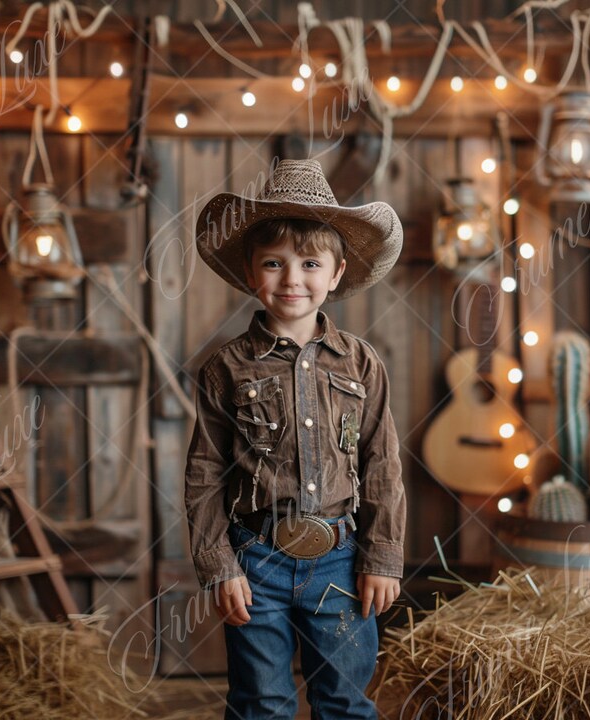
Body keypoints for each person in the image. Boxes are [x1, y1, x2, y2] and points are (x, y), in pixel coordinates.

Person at [185, 158, 406, 719]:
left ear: (335, 274)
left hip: (340, 560)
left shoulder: (360, 363)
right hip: (256, 559)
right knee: (262, 702)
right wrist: (220, 565)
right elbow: (205, 473)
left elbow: (381, 461)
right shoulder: (226, 368)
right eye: (274, 263)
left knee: (346, 701)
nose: (292, 279)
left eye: (310, 263)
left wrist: (382, 554)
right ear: (250, 271)